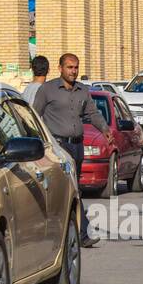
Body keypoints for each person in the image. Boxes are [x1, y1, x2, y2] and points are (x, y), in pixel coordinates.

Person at [31, 52, 113, 248]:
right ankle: (81, 233)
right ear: (60, 68)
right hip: (58, 148)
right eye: (69, 67)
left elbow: (92, 113)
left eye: (76, 67)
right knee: (69, 188)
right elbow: (35, 116)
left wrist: (104, 129)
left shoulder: (82, 91)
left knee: (73, 188)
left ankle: (70, 231)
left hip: (77, 146)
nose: (73, 71)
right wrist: (41, 145)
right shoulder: (47, 90)